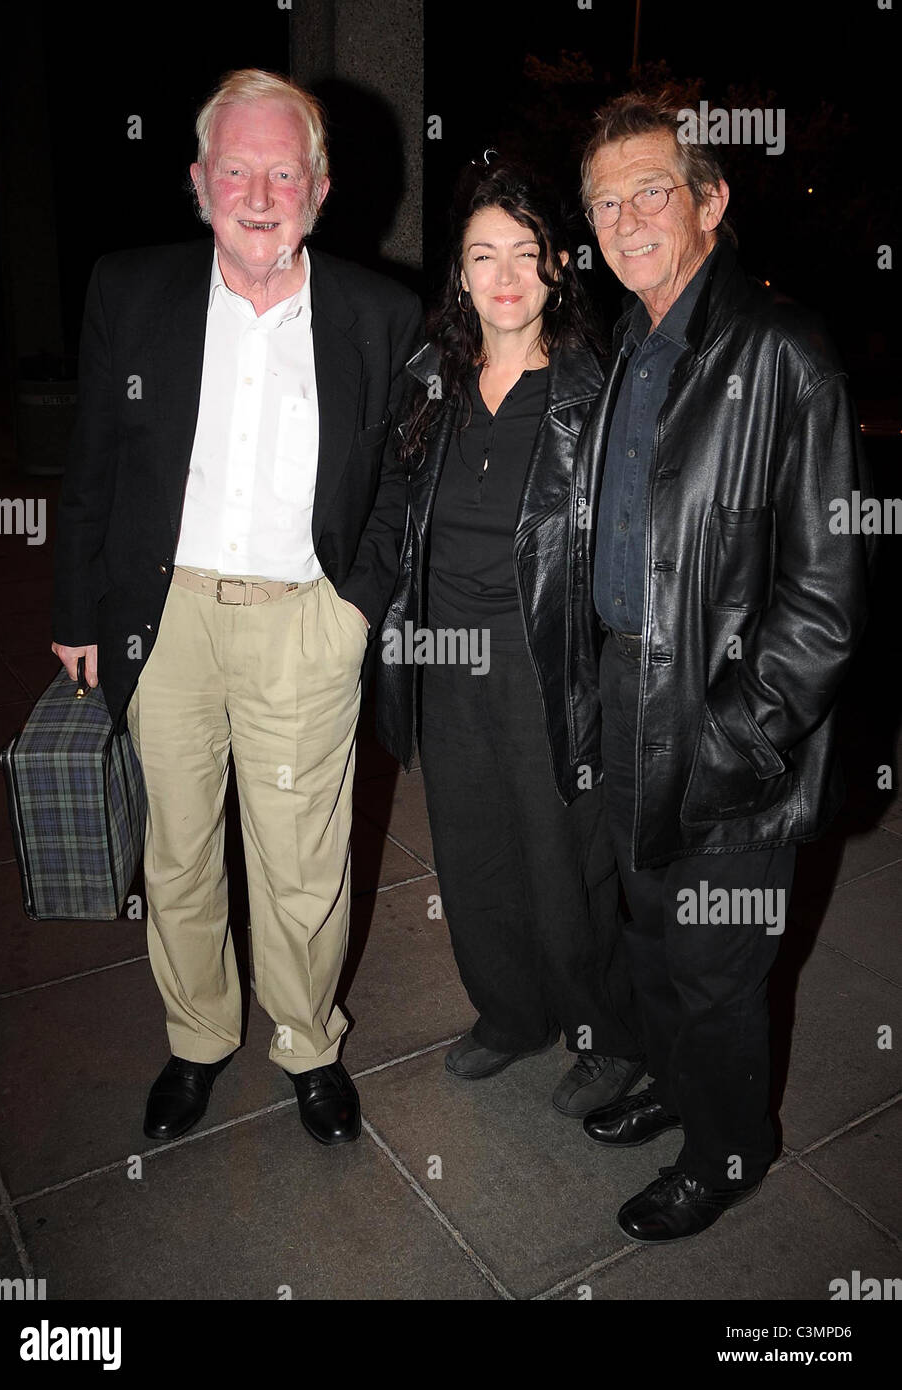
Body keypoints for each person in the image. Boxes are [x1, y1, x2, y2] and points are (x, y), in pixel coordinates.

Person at [51, 68, 423, 1147]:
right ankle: (198, 1037)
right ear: (199, 181)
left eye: (281, 171)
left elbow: (397, 483)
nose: (257, 192)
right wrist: (77, 608)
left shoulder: (378, 312)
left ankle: (308, 1043)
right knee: (176, 850)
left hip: (302, 620)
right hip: (163, 619)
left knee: (302, 861)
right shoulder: (128, 290)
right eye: (235, 169)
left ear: (318, 187)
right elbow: (92, 466)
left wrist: (354, 609)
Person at [569, 92, 869, 1240]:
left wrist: (736, 736)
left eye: (653, 190)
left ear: (709, 200)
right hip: (624, 699)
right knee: (649, 940)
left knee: (714, 966)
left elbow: (826, 599)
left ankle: (729, 1146)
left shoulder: (784, 353)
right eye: (605, 200)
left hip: (720, 723)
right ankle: (673, 1084)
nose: (627, 217)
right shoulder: (630, 347)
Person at [375, 161, 643, 1116]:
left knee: (565, 859)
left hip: (546, 661)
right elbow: (394, 512)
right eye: (481, 255)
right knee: (474, 851)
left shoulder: (593, 389)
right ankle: (509, 1012)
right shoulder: (429, 380)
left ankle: (605, 1033)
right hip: (447, 663)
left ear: (559, 268)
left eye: (524, 255)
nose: (503, 276)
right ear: (458, 271)